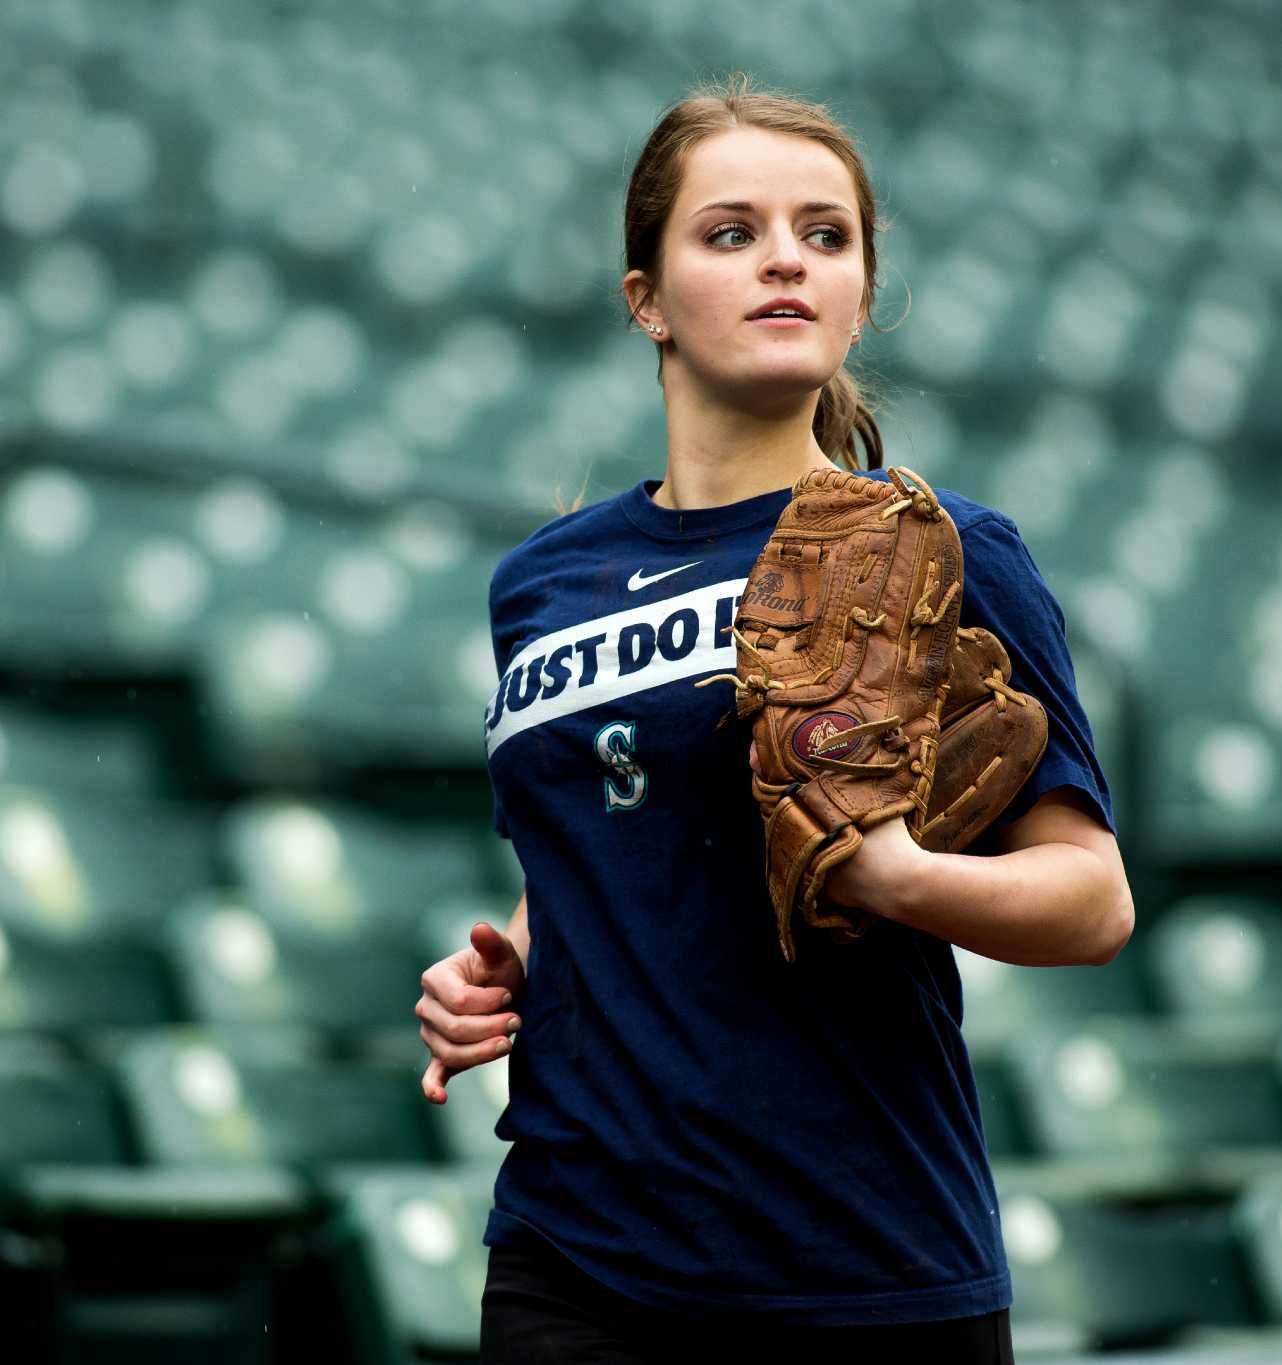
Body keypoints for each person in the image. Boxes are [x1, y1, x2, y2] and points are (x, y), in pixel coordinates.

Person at [414, 71, 1133, 1363]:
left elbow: (1094, 902)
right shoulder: (539, 582)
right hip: (577, 1255)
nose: (784, 262)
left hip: (862, 1262)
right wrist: (508, 964)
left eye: (826, 235)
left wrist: (901, 877)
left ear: (860, 295)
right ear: (648, 300)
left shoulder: (948, 550)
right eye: (731, 233)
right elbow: (608, 837)